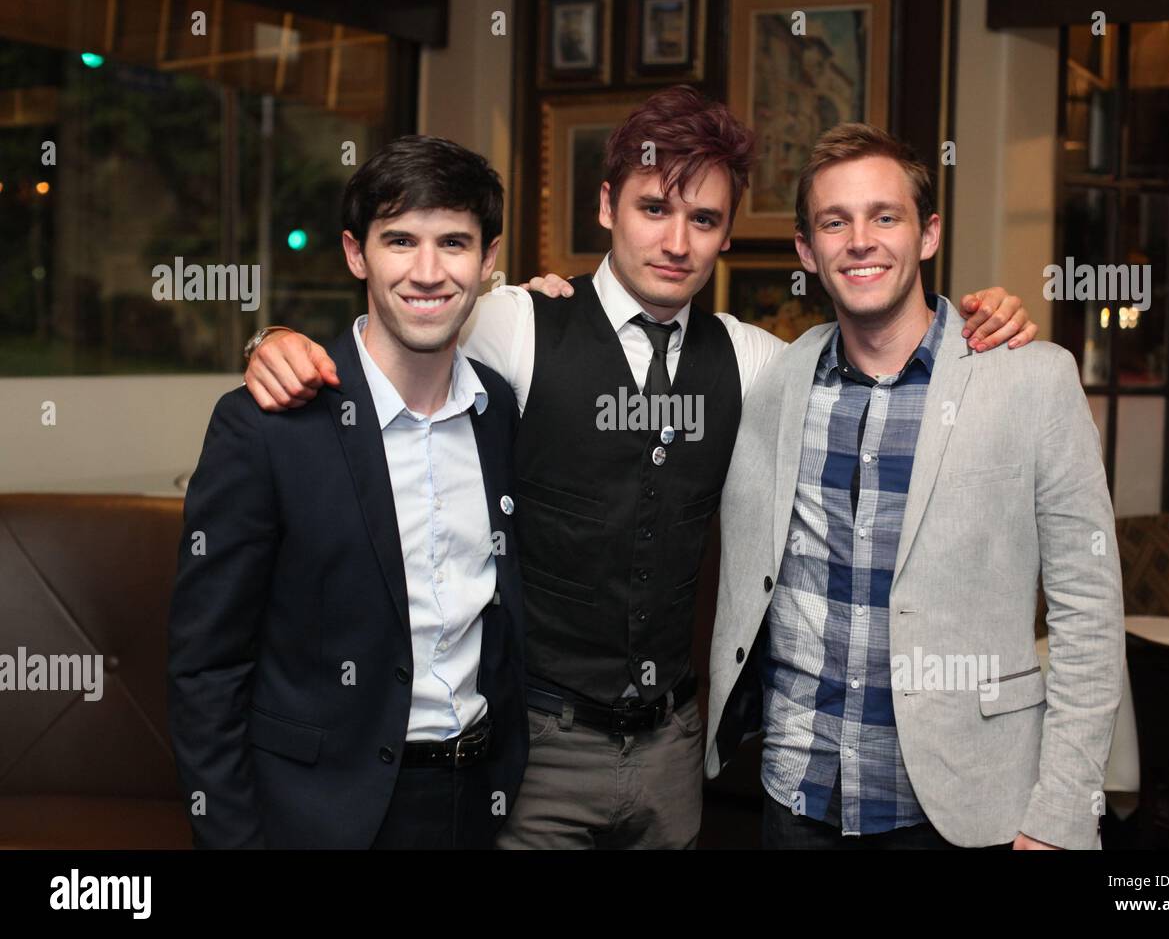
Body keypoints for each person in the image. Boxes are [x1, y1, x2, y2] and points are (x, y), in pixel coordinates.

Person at [241, 87, 1037, 849]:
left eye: (704, 219)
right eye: (653, 209)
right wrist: (273, 341)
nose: (676, 242)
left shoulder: (754, 359)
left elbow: (874, 355)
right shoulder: (514, 324)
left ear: (727, 235)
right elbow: (400, 328)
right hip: (536, 746)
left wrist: (976, 320)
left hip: (673, 750)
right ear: (606, 206)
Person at [706, 123, 1124, 850]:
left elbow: (1088, 613)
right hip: (797, 796)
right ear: (806, 250)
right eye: (835, 222)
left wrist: (1061, 814)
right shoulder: (772, 380)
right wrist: (533, 302)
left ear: (927, 234)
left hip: (967, 812)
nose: (860, 241)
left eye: (885, 216)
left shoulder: (1032, 380)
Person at [168, 136, 528, 848]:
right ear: (356, 253)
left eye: (454, 243)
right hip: (320, 815)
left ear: (488, 260)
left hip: (478, 802)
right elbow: (206, 669)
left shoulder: (500, 411)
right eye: (400, 241)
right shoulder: (265, 426)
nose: (428, 272)